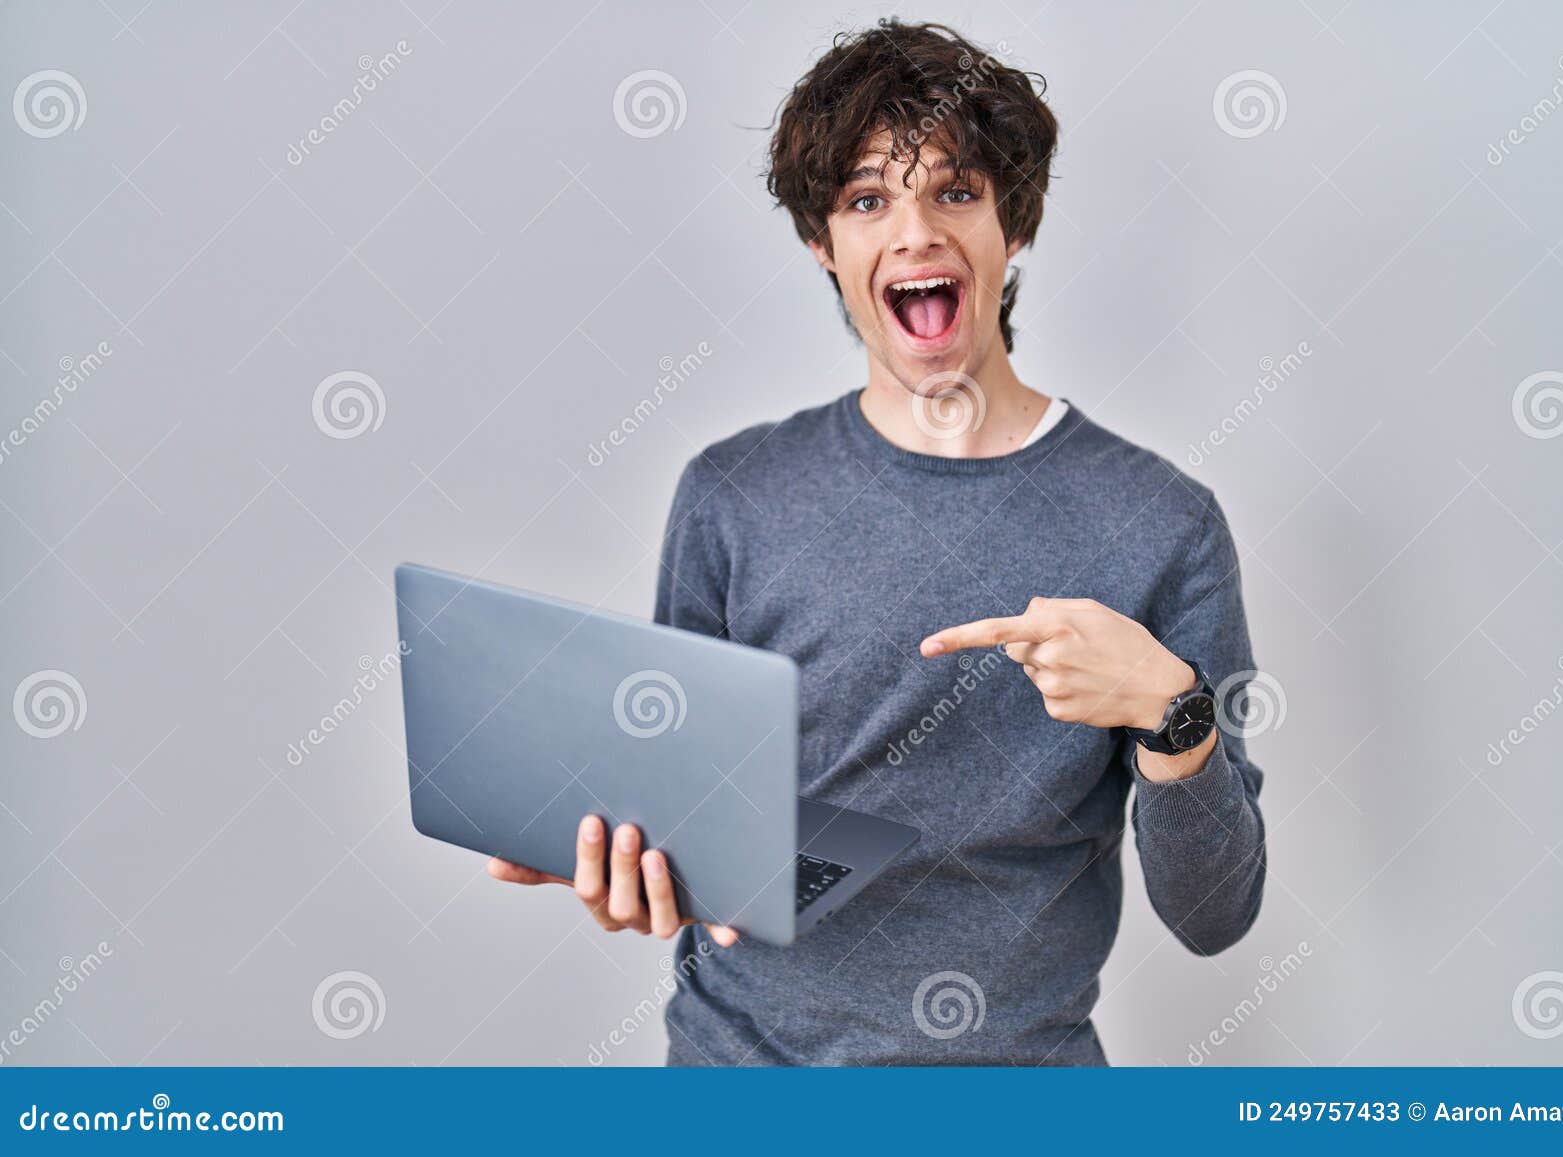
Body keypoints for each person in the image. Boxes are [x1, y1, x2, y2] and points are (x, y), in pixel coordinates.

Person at [487, 17, 1267, 1066]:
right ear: (823, 241)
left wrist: (1176, 714)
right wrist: (617, 852)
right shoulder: (732, 494)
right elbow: (697, 825)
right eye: (866, 199)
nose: (914, 233)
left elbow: (1215, 914)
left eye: (954, 191)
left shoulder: (1162, 521)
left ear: (1012, 225)